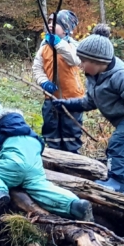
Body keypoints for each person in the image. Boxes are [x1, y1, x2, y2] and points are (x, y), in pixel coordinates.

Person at [53, 25, 124, 195]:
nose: (80, 65)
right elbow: (89, 101)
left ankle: (120, 184)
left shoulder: (121, 75)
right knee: (116, 146)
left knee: (119, 143)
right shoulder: (94, 77)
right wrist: (67, 104)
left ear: (98, 62)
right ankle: (114, 177)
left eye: (83, 61)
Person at [0, 99, 93, 221]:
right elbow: (40, 144)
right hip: (34, 165)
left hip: (13, 165)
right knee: (41, 187)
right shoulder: (24, 128)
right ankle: (74, 205)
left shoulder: (0, 132)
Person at [33, 10, 85, 153]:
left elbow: (74, 59)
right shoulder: (44, 47)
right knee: (51, 132)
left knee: (71, 132)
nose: (50, 25)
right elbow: (37, 68)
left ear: (66, 28)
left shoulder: (73, 45)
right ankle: (55, 159)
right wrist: (44, 82)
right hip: (51, 98)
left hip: (72, 98)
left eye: (55, 23)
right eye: (49, 22)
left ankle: (73, 162)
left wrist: (58, 44)